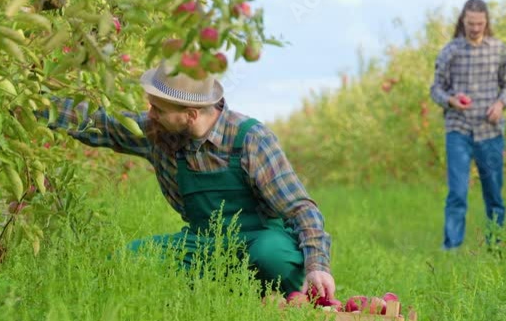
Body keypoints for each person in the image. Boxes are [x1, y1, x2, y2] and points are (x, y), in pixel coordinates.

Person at [39, 59, 336, 299]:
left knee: (272, 255)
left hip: (259, 238)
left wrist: (317, 267)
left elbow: (300, 209)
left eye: (158, 109)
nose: (149, 114)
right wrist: (30, 102)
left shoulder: (250, 139)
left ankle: (282, 297)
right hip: (203, 243)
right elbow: (99, 123)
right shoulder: (159, 132)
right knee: (129, 261)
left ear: (191, 115)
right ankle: (213, 295)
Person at [430, 0, 506, 250]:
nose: (475, 28)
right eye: (470, 23)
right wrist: (451, 100)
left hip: (490, 131)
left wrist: (500, 104)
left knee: (494, 194)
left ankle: (495, 246)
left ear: (486, 22)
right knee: (457, 193)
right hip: (458, 130)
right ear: (463, 21)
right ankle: (451, 249)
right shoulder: (450, 51)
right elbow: (435, 89)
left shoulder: (498, 49)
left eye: (479, 23)